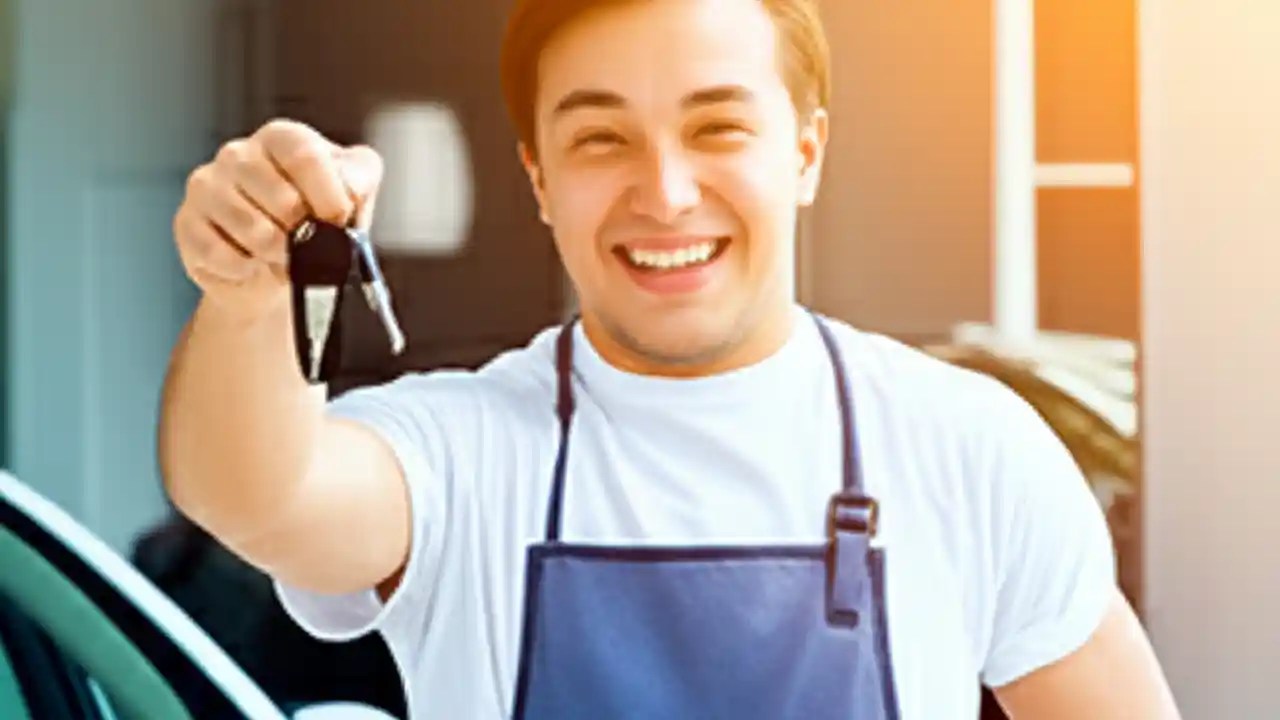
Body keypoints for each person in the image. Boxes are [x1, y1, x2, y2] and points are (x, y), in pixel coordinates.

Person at [158, 0, 1181, 718]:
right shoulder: (463, 452)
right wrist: (248, 289)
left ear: (805, 151)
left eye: (716, 127)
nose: (665, 192)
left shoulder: (967, 447)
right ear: (540, 178)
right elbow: (257, 495)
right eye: (602, 140)